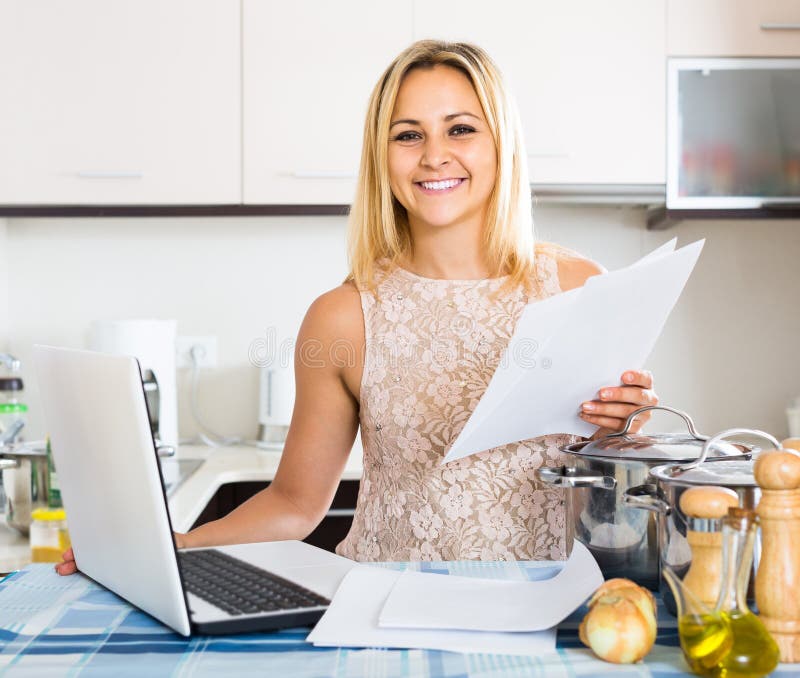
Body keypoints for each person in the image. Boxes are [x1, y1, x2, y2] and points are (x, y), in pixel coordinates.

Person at [57, 40, 657, 574]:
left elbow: (615, 491)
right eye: (408, 134)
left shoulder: (579, 288)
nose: (433, 155)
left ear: (502, 143)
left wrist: (626, 432)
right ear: (382, 156)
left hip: (541, 608)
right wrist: (174, 545)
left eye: (461, 129)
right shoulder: (342, 317)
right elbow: (294, 505)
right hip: (380, 612)